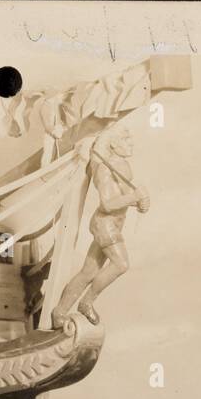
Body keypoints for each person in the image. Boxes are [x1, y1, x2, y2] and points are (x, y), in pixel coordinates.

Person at [51, 124, 150, 328]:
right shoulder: (105, 169)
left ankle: (59, 312)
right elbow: (107, 204)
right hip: (105, 225)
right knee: (121, 264)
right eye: (126, 140)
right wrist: (133, 196)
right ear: (113, 143)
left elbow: (123, 198)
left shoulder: (120, 165)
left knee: (88, 272)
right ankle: (86, 303)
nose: (131, 144)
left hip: (113, 225)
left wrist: (140, 203)